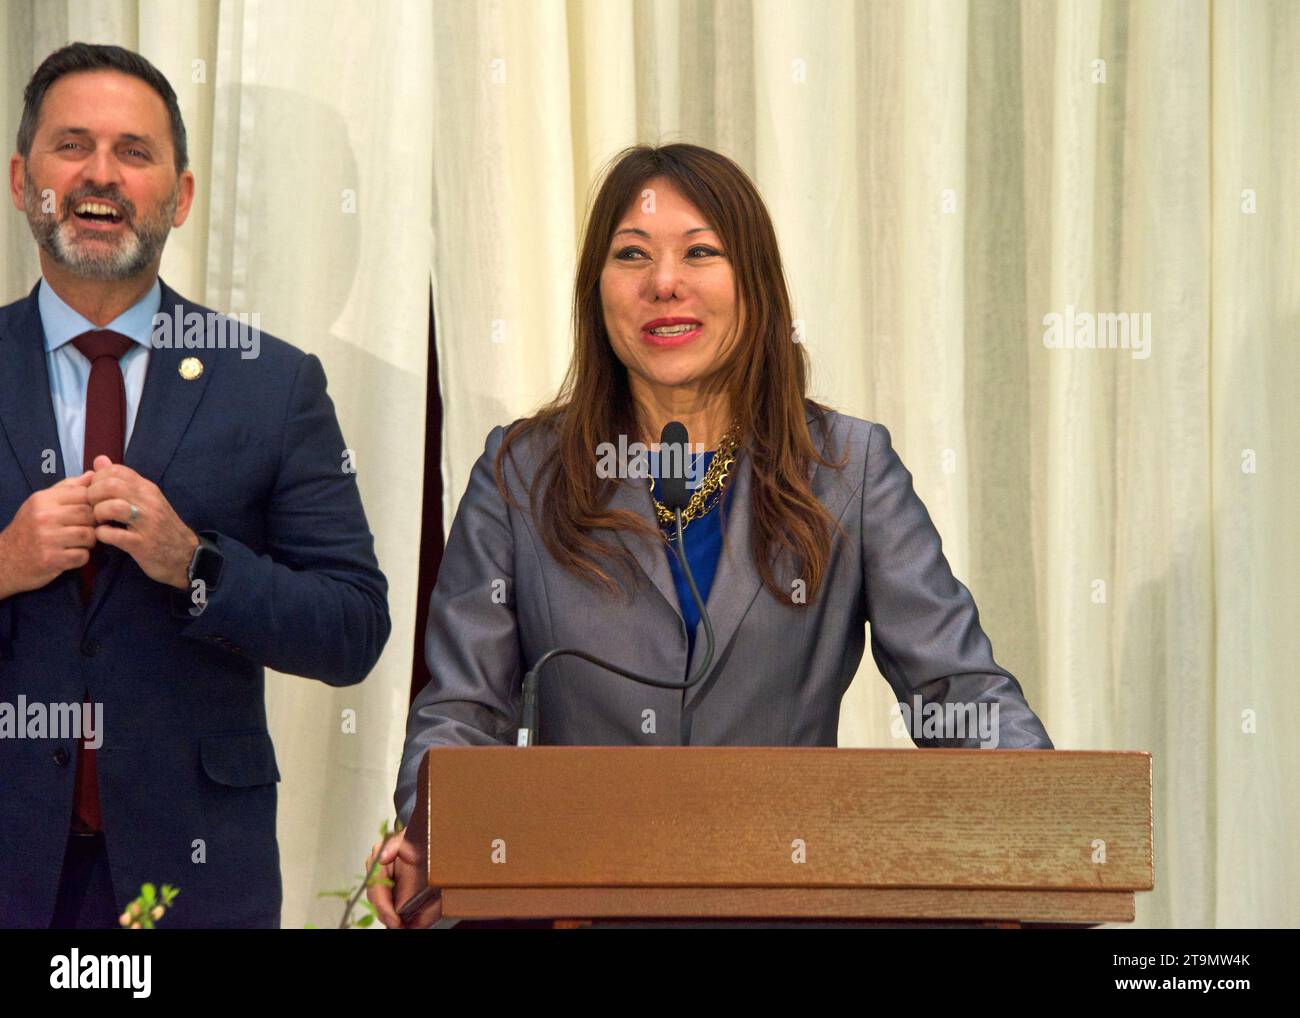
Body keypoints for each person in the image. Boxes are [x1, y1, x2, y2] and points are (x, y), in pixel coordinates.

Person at [368, 142, 1052, 928]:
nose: (665, 283)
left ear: (752, 285)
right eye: (632, 256)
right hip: (575, 911)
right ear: (597, 292)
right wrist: (432, 831)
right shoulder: (521, 474)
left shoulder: (849, 470)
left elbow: (956, 692)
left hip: (788, 910)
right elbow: (463, 712)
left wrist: (1051, 823)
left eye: (700, 253)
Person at [0, 43, 390, 928]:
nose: (101, 176)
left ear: (179, 195)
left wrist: (195, 563)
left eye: (134, 153)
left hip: (193, 880)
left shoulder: (272, 384)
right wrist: (5, 561)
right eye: (72, 146)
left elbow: (352, 627)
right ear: (24, 180)